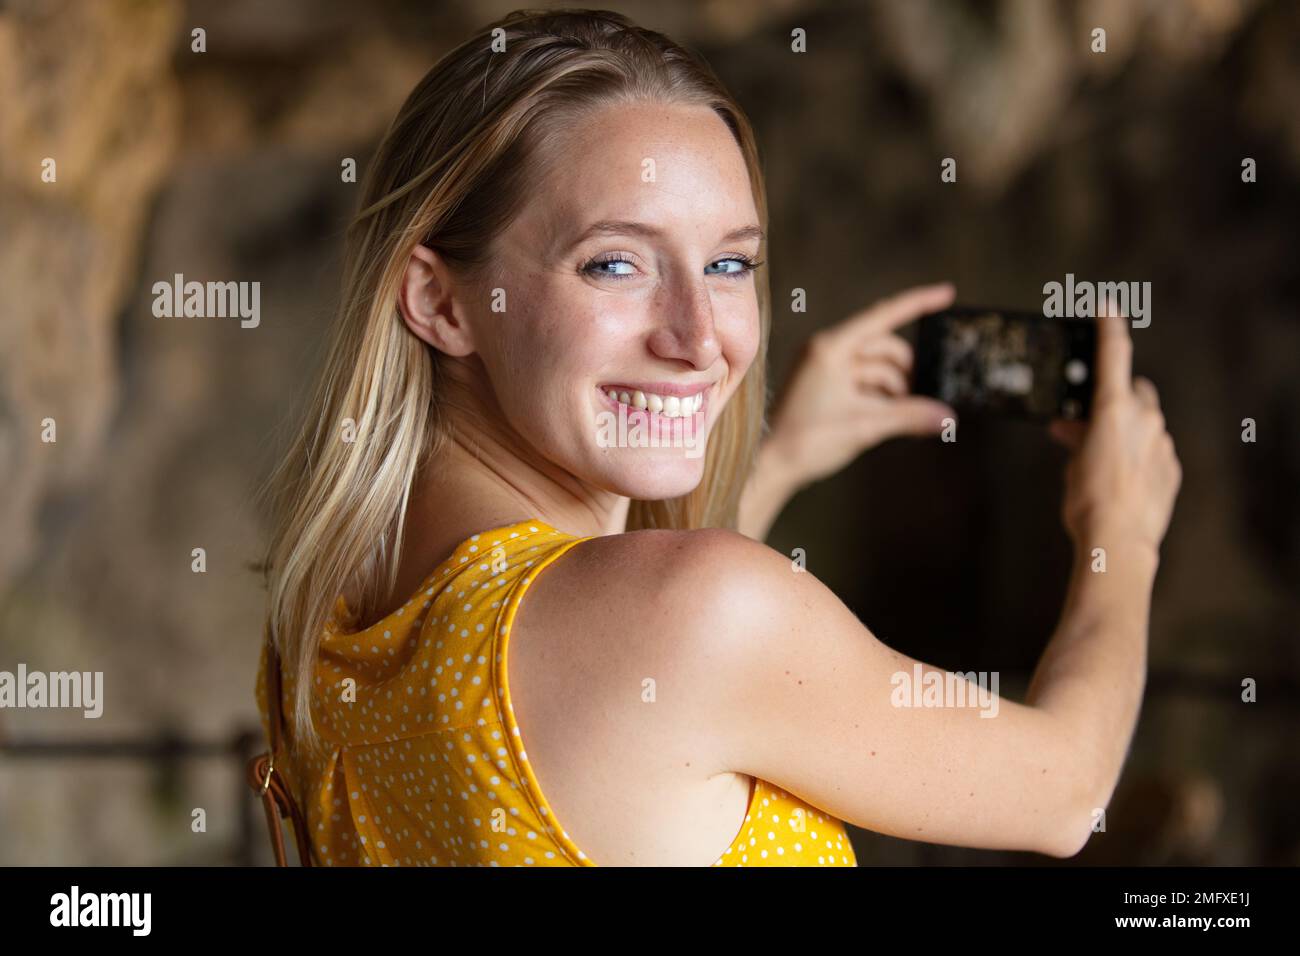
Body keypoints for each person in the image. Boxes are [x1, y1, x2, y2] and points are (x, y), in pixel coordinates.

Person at [255, 8, 1181, 867]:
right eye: (614, 263)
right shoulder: (692, 615)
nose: (700, 339)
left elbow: (627, 677)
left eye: (729, 263)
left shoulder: (331, 617)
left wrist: (774, 456)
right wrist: (1120, 533)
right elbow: (1068, 792)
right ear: (439, 300)